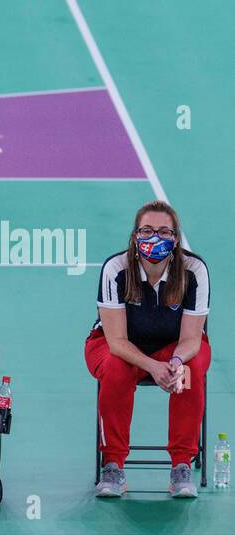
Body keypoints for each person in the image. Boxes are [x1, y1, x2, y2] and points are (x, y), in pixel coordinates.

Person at [86, 200, 210, 498]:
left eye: (164, 232)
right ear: (134, 236)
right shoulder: (116, 269)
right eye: (147, 230)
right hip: (118, 346)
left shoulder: (194, 270)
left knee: (189, 372)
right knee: (116, 370)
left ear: (175, 239)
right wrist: (154, 367)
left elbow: (193, 337)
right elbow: (116, 342)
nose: (155, 238)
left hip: (175, 346)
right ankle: (113, 464)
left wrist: (176, 361)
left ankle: (182, 465)